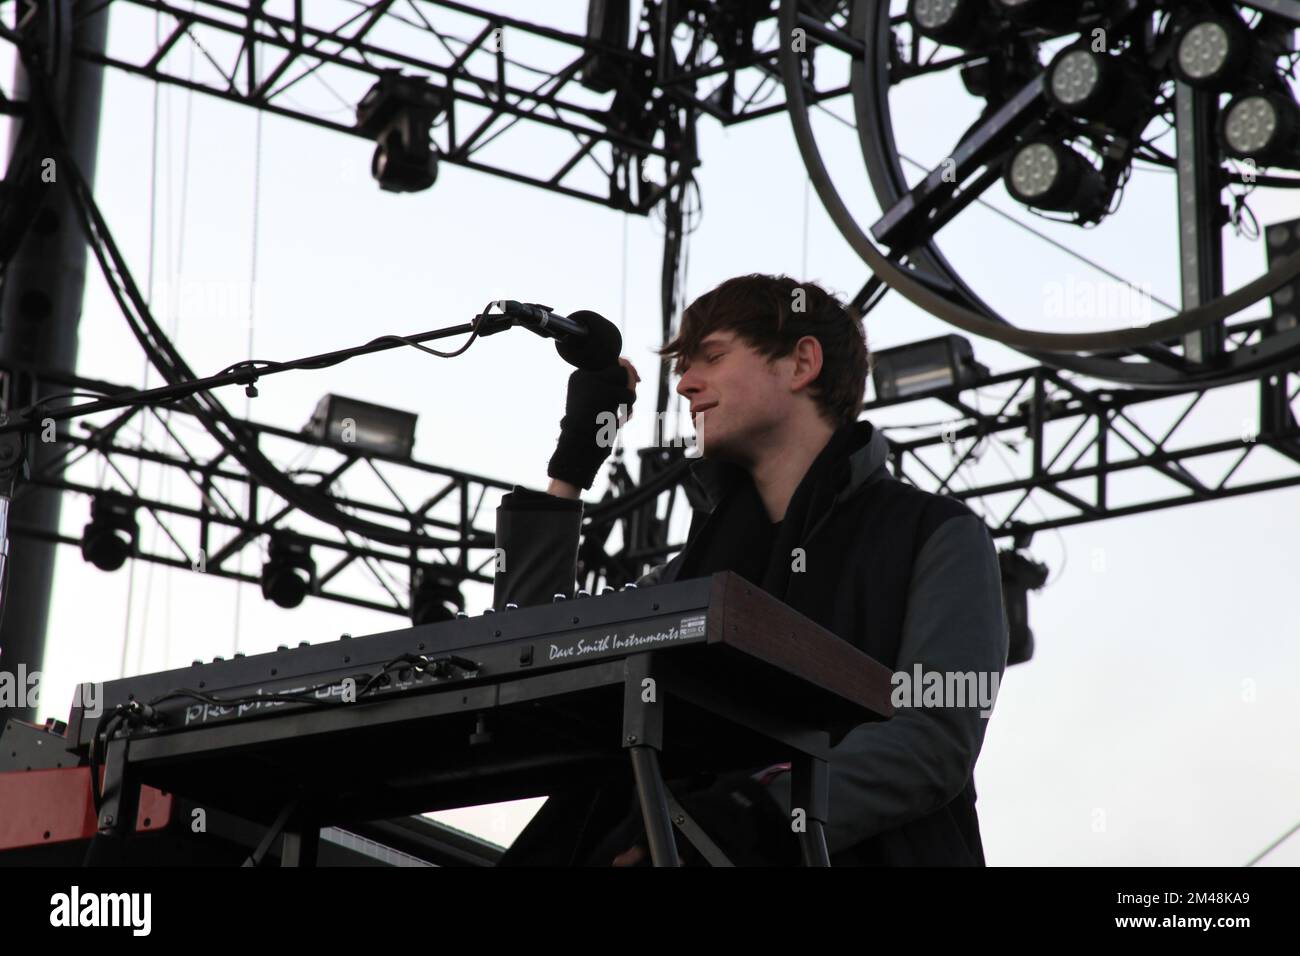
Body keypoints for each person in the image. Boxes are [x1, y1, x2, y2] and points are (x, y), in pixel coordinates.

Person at [492, 273, 1008, 866]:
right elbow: (525, 667)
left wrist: (750, 816)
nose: (684, 384)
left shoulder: (936, 535)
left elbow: (934, 739)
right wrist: (571, 469)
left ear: (801, 363)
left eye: (712, 357)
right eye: (684, 366)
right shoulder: (691, 576)